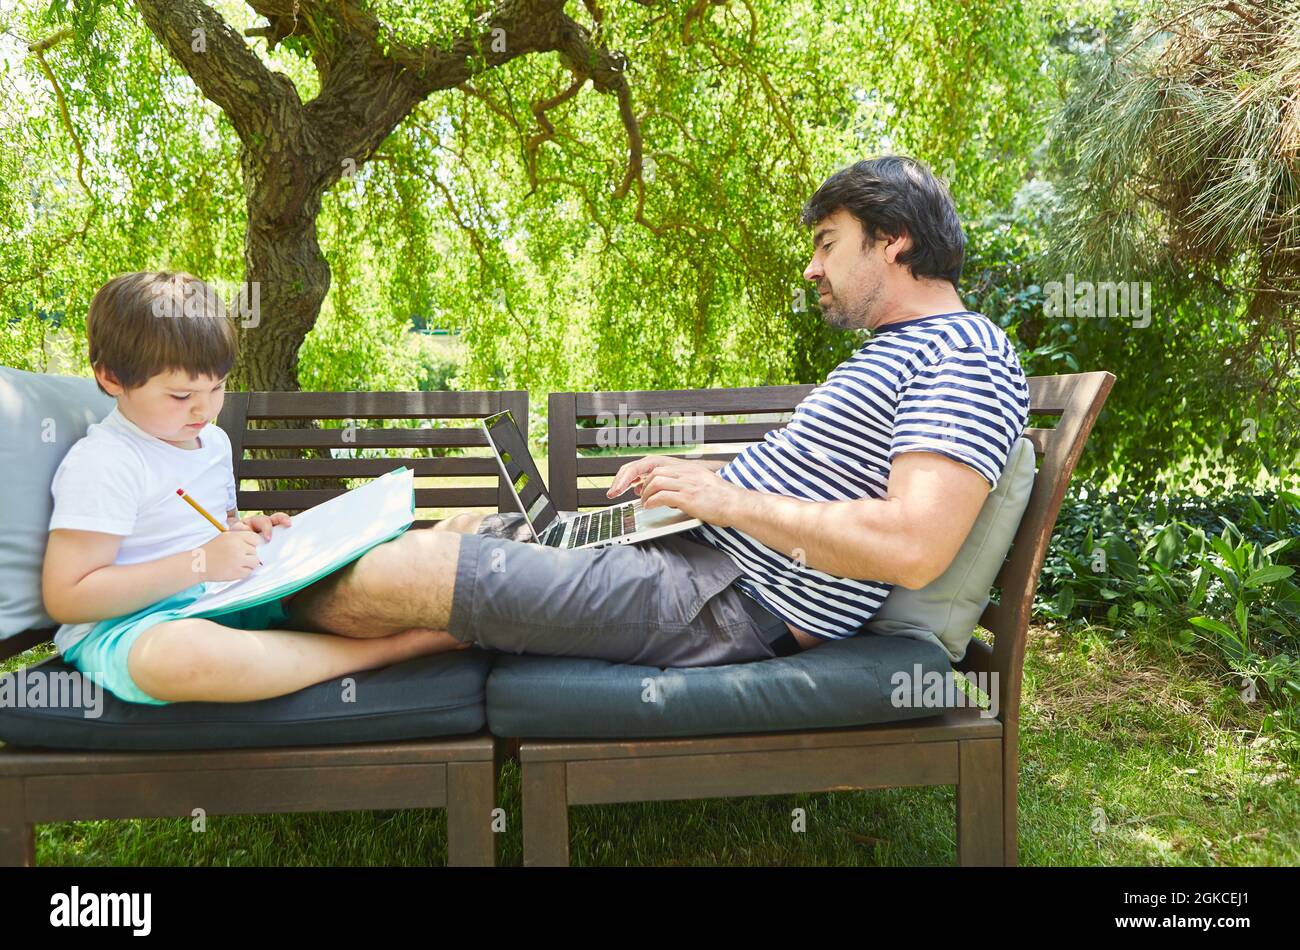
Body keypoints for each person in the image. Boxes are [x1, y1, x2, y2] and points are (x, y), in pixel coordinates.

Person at [286, 155, 1030, 671]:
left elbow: (913, 545)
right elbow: (821, 488)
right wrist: (697, 483)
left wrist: (725, 499)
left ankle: (250, 608)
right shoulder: (900, 348)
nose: (811, 268)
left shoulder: (964, 352)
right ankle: (265, 591)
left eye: (826, 244)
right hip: (697, 557)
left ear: (892, 240)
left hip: (731, 599)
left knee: (407, 572)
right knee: (458, 528)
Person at [41, 272, 458, 706]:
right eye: (181, 396)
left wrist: (245, 533)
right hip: (129, 627)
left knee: (361, 578)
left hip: (219, 601)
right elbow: (68, 597)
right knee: (181, 657)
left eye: (217, 387)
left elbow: (216, 528)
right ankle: (384, 653)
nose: (204, 408)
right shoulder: (106, 461)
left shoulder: (213, 442)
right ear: (111, 378)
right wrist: (200, 563)